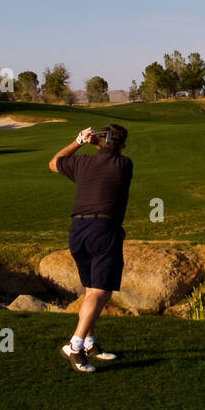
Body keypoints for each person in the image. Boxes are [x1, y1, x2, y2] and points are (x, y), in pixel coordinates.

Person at [48, 123, 132, 373]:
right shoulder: (124, 165)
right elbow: (112, 151)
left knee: (90, 290)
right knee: (100, 292)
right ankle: (74, 346)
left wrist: (79, 141)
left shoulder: (82, 163)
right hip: (103, 231)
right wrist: (100, 143)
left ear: (100, 141)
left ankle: (89, 342)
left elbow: (54, 163)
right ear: (121, 145)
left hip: (78, 231)